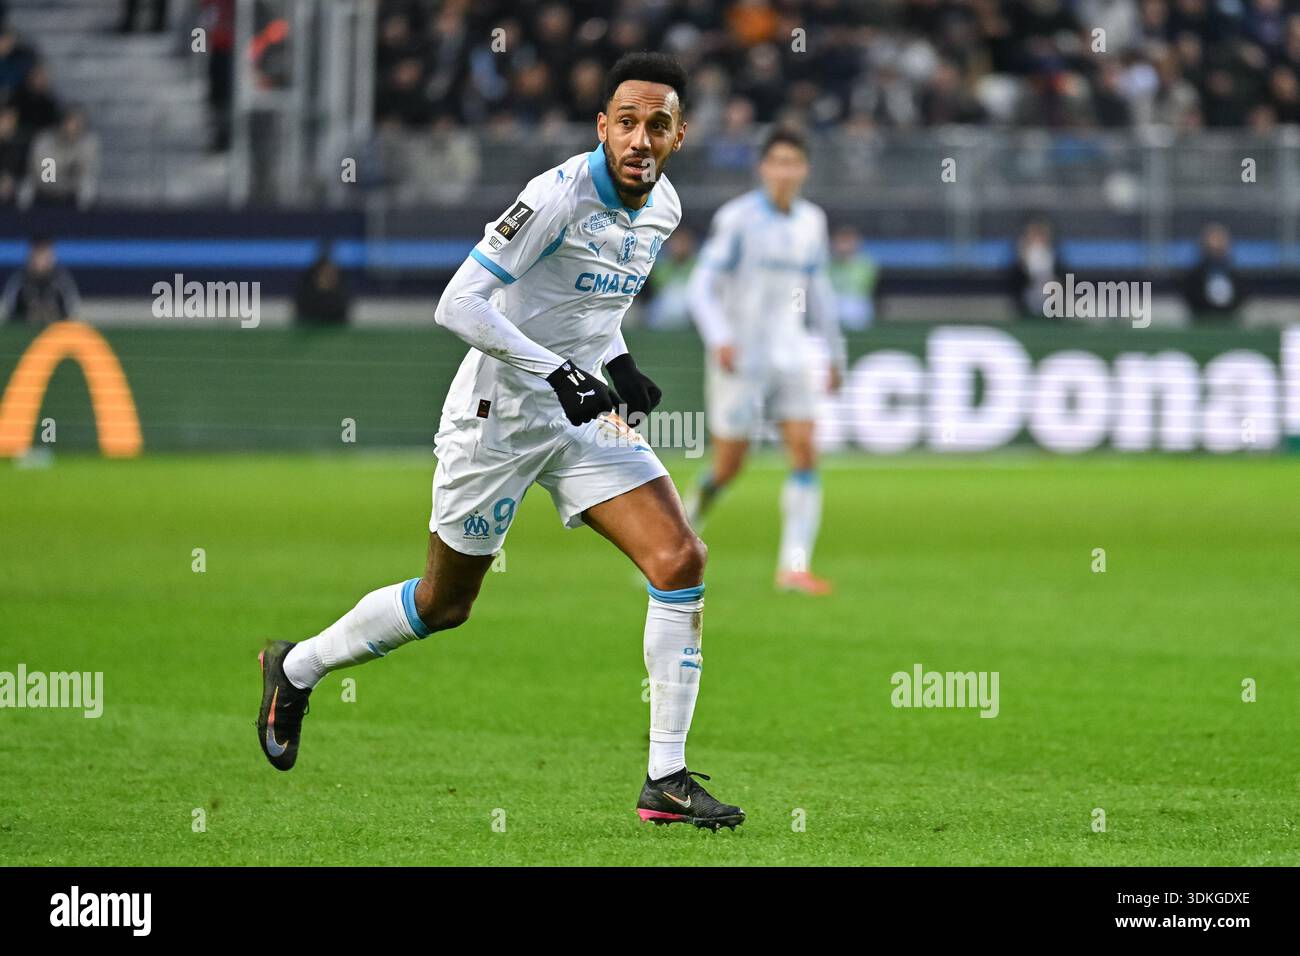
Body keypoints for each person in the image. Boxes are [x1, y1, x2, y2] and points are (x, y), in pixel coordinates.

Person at [255, 52, 745, 831]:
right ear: (602, 128)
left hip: (579, 413)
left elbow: (593, 303)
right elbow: (459, 305)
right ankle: (298, 666)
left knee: (680, 557)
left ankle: (666, 779)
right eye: (626, 123)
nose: (640, 139)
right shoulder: (555, 196)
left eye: (658, 125)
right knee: (445, 603)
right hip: (499, 415)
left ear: (679, 135)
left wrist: (618, 362)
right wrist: (556, 370)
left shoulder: (665, 209)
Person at [684, 128, 846, 596]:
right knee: (730, 465)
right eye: (776, 161)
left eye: (792, 161)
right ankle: (682, 530)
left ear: (804, 169)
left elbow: (819, 291)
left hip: (791, 356)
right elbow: (701, 286)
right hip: (742, 359)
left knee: (805, 450)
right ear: (763, 168)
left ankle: (793, 567)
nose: (784, 170)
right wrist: (720, 337)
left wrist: (834, 352)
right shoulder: (737, 219)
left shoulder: (812, 221)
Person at [2, 236, 80, 325]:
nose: (41, 259)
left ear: (52, 256)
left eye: (44, 254)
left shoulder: (62, 281)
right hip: (25, 332)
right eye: (38, 254)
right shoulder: (19, 280)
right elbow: (10, 313)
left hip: (56, 332)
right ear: (30, 256)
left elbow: (71, 313)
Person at [1183, 222, 1246, 323]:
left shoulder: (1236, 276)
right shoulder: (1194, 276)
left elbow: (1241, 297)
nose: (1216, 245)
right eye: (1213, 240)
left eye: (1220, 240)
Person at [293, 247, 351, 326]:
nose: (328, 277)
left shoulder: (340, 296)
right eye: (324, 274)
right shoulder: (306, 295)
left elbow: (342, 317)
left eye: (330, 275)